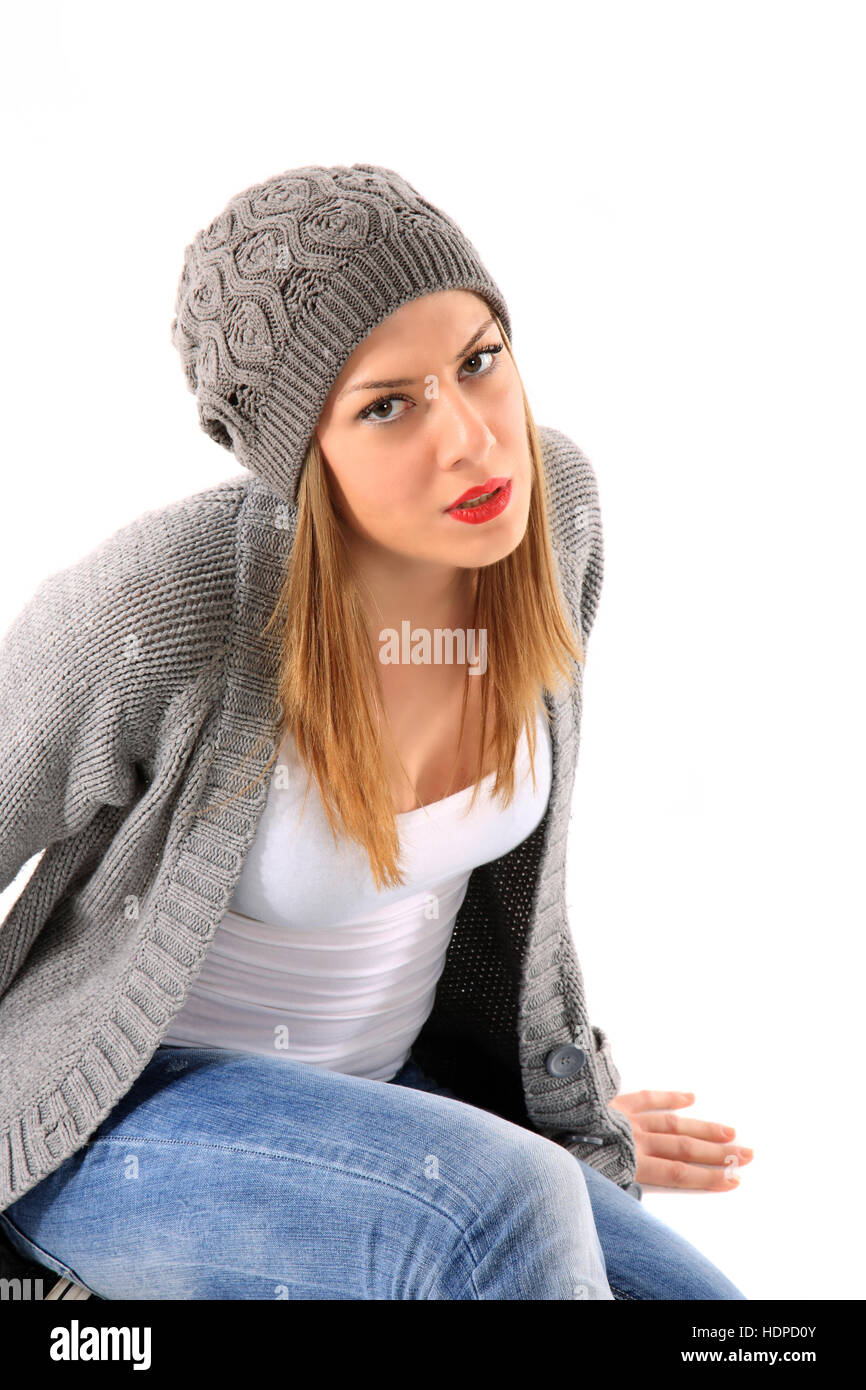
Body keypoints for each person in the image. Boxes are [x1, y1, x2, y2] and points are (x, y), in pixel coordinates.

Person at [0, 163, 750, 1299]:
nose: (470, 439)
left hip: (388, 1117)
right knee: (505, 1209)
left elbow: (512, 913)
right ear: (300, 452)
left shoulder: (551, 520)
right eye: (386, 405)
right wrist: (480, 1170)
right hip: (120, 1124)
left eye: (478, 361)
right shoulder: (180, 602)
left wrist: (555, 1112)